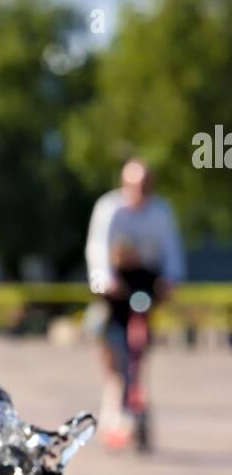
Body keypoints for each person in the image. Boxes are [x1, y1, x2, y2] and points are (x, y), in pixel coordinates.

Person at [85, 160, 185, 448]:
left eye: (145, 186)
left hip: (145, 280)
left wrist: (171, 280)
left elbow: (171, 250)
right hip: (116, 281)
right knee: (112, 338)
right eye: (134, 186)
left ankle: (133, 392)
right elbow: (98, 247)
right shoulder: (110, 207)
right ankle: (116, 387)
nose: (139, 192)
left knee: (139, 344)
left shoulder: (160, 211)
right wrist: (106, 280)